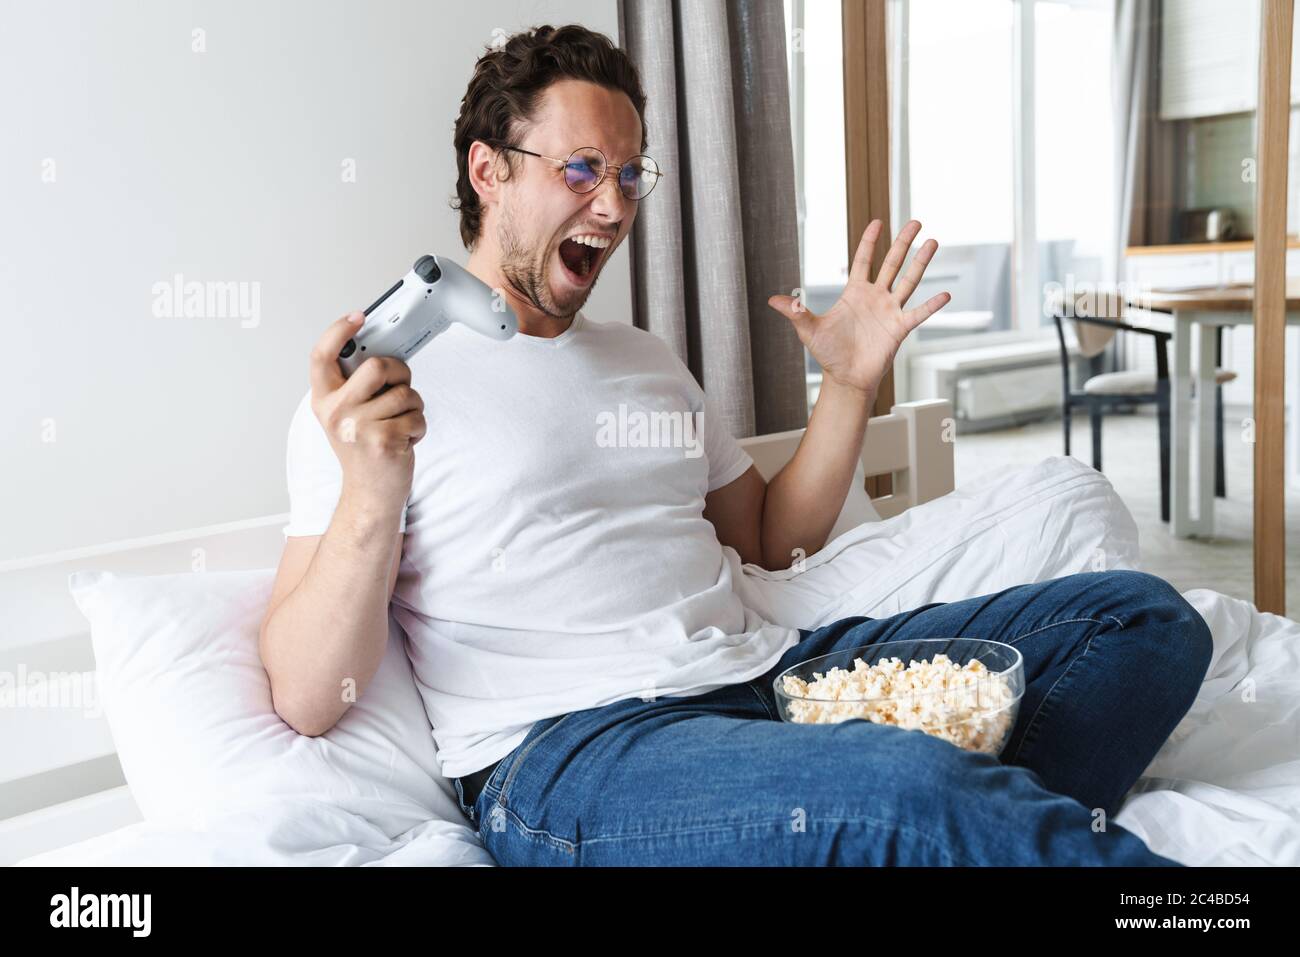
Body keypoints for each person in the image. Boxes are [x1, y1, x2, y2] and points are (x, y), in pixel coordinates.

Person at [258, 24, 1211, 866]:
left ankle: (952, 835)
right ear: (488, 170)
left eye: (632, 175)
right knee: (904, 784)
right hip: (577, 753)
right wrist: (371, 492)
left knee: (1142, 623)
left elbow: (766, 538)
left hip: (765, 675)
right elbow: (307, 693)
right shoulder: (374, 396)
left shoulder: (643, 360)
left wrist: (846, 382)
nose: (617, 205)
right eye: (582, 169)